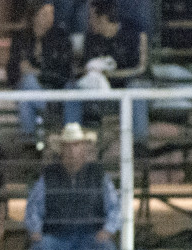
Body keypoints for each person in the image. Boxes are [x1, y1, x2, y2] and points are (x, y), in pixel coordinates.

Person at [24, 123, 120, 250]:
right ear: (61, 150)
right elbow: (33, 207)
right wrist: (35, 230)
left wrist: (108, 229)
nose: (72, 151)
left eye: (76, 145)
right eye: (67, 146)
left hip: (90, 235)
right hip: (57, 236)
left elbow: (114, 207)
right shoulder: (49, 175)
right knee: (42, 249)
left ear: (84, 148)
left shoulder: (98, 175)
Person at [64, 0, 150, 143]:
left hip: (123, 93)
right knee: (71, 88)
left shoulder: (132, 33)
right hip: (97, 93)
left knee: (136, 88)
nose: (89, 21)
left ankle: (140, 146)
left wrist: (109, 74)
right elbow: (83, 70)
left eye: (91, 17)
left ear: (102, 18)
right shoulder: (91, 38)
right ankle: (72, 140)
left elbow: (140, 69)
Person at [6, 1, 73, 138]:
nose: (50, 18)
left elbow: (64, 72)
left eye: (52, 13)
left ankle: (29, 143)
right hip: (30, 89)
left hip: (54, 89)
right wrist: (22, 70)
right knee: (27, 86)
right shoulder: (21, 38)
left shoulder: (60, 37)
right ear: (34, 16)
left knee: (25, 98)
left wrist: (37, 72)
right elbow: (11, 71)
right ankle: (47, 114)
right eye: (44, 14)